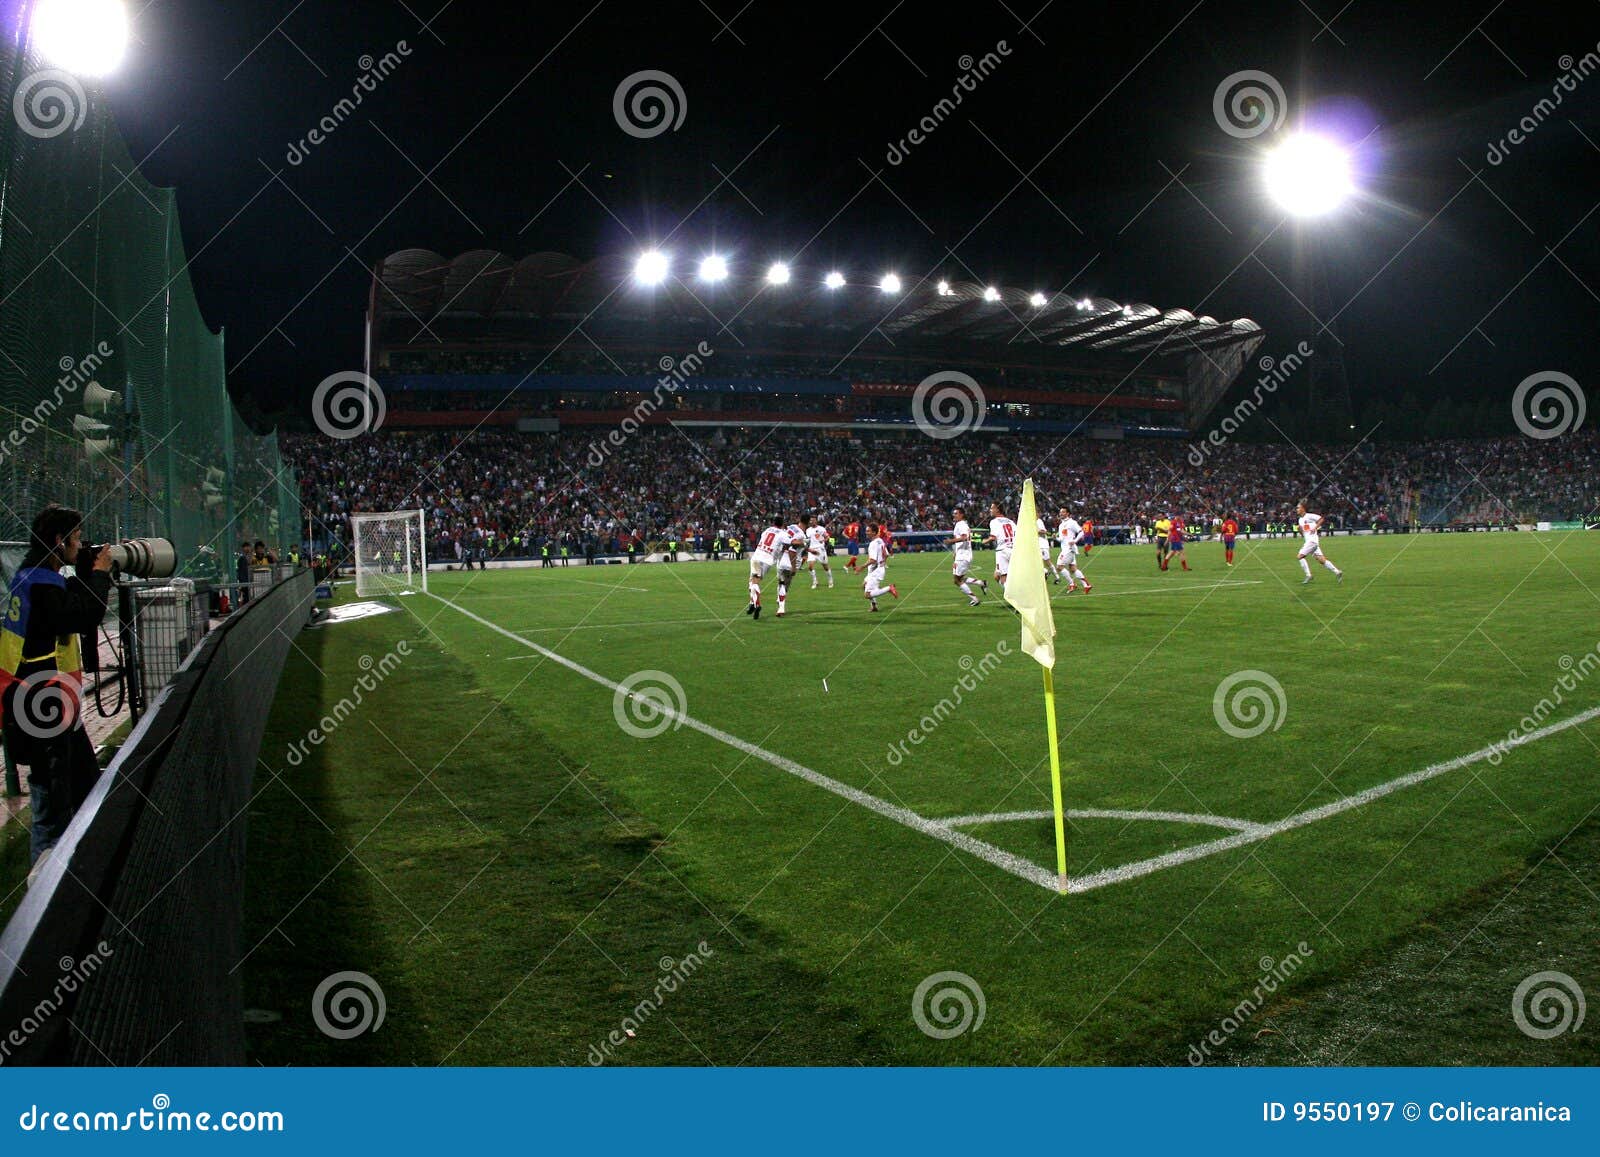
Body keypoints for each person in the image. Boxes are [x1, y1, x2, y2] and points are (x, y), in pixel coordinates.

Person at [0, 505, 113, 866]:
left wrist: (84, 573)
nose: (80, 546)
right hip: (41, 703)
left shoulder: (30, 574)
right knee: (51, 800)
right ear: (59, 540)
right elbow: (80, 615)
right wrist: (99, 576)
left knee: (81, 783)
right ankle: (45, 890)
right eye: (77, 539)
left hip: (40, 700)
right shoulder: (42, 581)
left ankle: (81, 863)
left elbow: (65, 606)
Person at [945, 506, 988, 607]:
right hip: (963, 555)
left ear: (961, 514)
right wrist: (955, 552)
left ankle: (975, 599)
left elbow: (965, 537)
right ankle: (981, 583)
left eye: (956, 513)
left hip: (963, 556)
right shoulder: (961, 525)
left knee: (957, 580)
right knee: (960, 578)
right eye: (954, 513)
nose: (954, 515)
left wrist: (950, 541)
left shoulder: (961, 525)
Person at [1295, 503, 1343, 584]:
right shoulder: (1300, 520)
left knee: (1299, 556)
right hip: (1310, 541)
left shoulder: (1309, 516)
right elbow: (1303, 529)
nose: (1296, 510)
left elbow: (1321, 519)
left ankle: (1308, 575)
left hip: (1312, 541)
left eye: (1298, 508)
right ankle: (1337, 572)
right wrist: (1300, 531)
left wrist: (1315, 527)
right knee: (1321, 560)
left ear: (1303, 508)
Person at [1056, 507, 1093, 593]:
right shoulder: (1061, 525)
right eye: (1060, 512)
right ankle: (1086, 585)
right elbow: (1062, 539)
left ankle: (1072, 584)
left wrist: (1075, 541)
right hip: (1065, 548)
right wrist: (1056, 538)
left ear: (1068, 513)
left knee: (1059, 566)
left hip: (1069, 549)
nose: (1061, 514)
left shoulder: (1072, 523)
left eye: (1063, 512)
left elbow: (1081, 531)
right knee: (1073, 569)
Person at [862, 523, 898, 611]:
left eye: (868, 531)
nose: (866, 533)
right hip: (879, 569)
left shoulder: (873, 544)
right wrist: (882, 564)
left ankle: (889, 588)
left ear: (874, 532)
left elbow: (873, 560)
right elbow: (886, 554)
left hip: (875, 571)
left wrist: (861, 567)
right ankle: (874, 606)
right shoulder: (880, 540)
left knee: (867, 594)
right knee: (864, 585)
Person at [983, 502, 1016, 589]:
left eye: (991, 508)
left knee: (1003, 577)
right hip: (1014, 550)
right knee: (997, 575)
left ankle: (1013, 596)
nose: (990, 510)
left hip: (1002, 551)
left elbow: (993, 537)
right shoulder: (1011, 522)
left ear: (997, 509)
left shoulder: (994, 522)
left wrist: (984, 541)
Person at [804, 516, 833, 590]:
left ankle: (830, 581)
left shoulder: (821, 529)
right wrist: (806, 541)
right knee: (810, 566)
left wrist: (823, 540)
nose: (811, 522)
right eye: (810, 520)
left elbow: (827, 537)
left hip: (820, 549)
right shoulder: (808, 530)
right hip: (812, 549)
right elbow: (808, 539)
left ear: (816, 521)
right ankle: (815, 582)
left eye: (813, 520)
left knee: (825, 566)